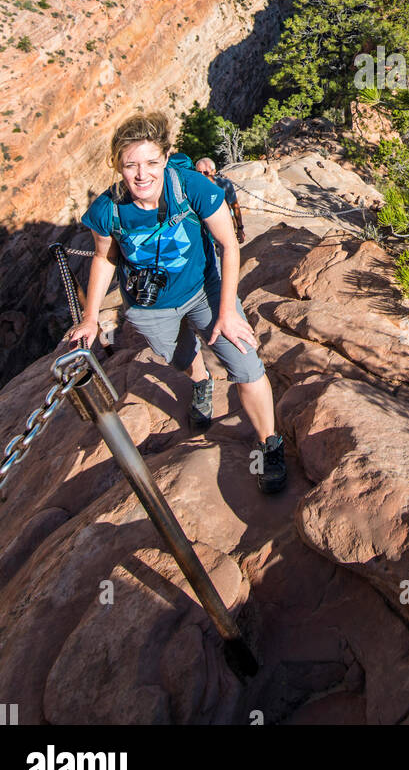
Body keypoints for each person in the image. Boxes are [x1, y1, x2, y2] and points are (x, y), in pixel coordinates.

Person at [68, 111, 286, 494]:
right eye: (130, 164)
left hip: (204, 289)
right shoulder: (108, 210)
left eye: (151, 162)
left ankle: (269, 444)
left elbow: (228, 244)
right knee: (180, 356)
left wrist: (227, 314)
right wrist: (89, 319)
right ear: (117, 166)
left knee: (246, 364)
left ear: (166, 159)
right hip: (150, 307)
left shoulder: (190, 187)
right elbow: (105, 258)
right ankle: (201, 382)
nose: (141, 175)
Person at [194, 156, 245, 243]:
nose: (202, 175)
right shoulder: (194, 187)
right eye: (199, 173)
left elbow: (235, 206)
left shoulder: (223, 184)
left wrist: (240, 228)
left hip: (224, 227)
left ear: (213, 172)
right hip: (204, 231)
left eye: (205, 173)